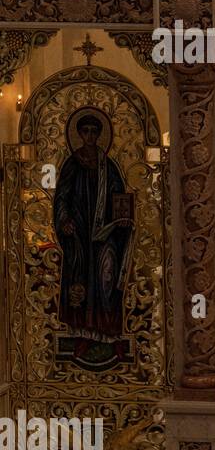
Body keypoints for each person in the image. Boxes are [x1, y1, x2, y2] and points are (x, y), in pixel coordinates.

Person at [54, 113, 132, 349]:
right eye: (85, 131)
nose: (89, 136)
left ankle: (106, 331)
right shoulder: (72, 163)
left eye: (93, 131)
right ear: (79, 134)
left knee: (106, 275)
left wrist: (122, 219)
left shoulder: (107, 165)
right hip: (78, 233)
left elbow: (120, 196)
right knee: (78, 278)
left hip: (104, 233)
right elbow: (61, 198)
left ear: (100, 135)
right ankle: (80, 332)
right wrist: (64, 219)